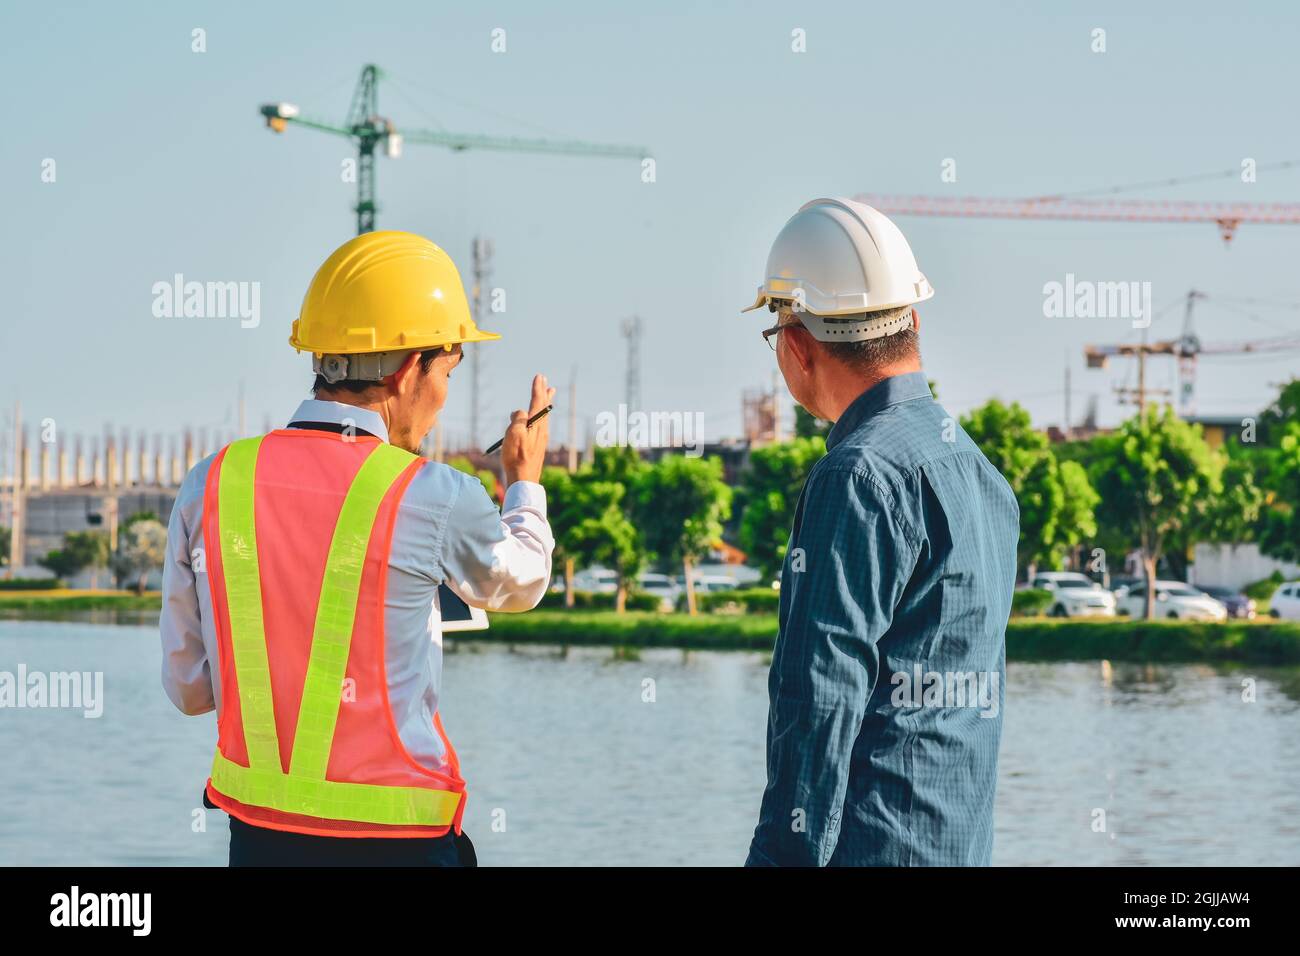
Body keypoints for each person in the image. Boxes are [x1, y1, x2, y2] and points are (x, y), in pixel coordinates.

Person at [160, 230, 555, 866]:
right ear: (408, 369)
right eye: (448, 372)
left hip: (259, 847)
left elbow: (188, 689)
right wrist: (525, 483)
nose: (442, 399)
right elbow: (523, 580)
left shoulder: (211, 482)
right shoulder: (431, 493)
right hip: (399, 850)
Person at [742, 198, 1019, 866]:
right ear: (913, 320)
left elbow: (818, 701)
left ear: (799, 347)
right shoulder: (980, 473)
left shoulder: (856, 476)